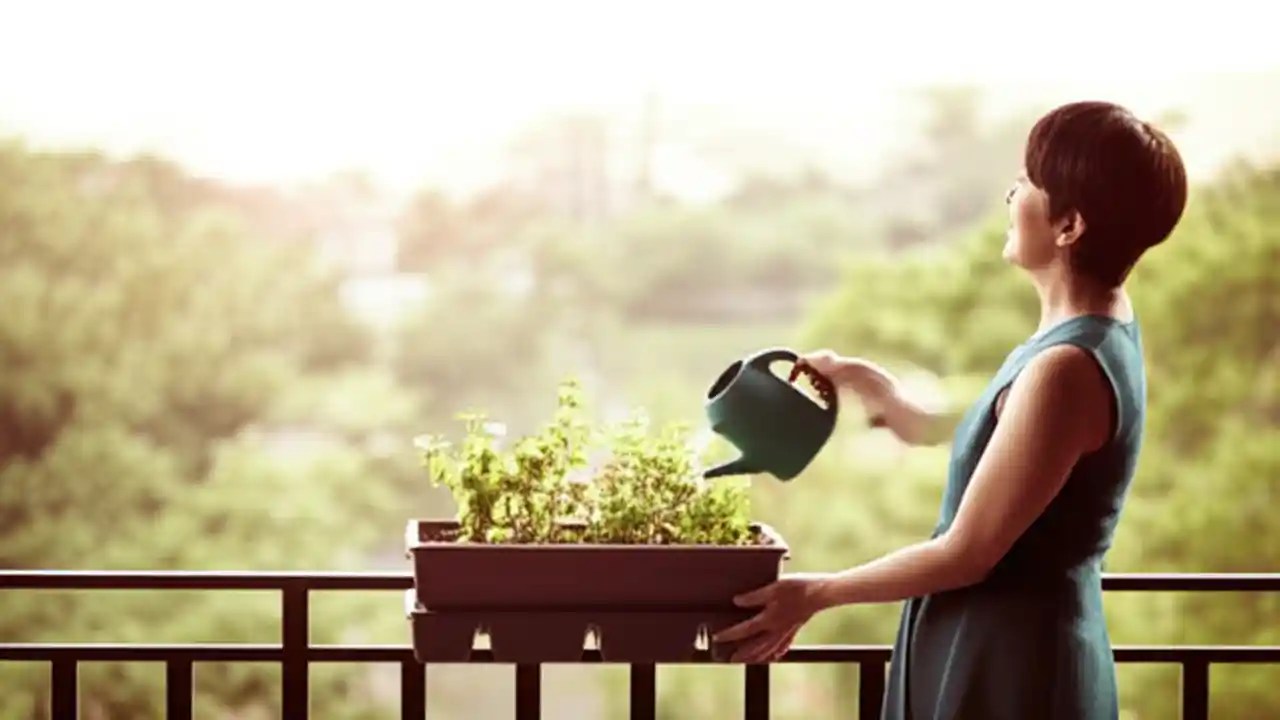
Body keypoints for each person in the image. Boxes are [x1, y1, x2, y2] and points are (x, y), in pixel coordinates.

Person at [713, 100, 1188, 719]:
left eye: (1029, 181)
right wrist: (874, 387)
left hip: (1012, 665)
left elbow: (967, 553)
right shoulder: (1087, 334)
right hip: (992, 641)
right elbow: (1003, 443)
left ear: (1069, 225)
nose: (1012, 192)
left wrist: (816, 593)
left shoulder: (1065, 369)